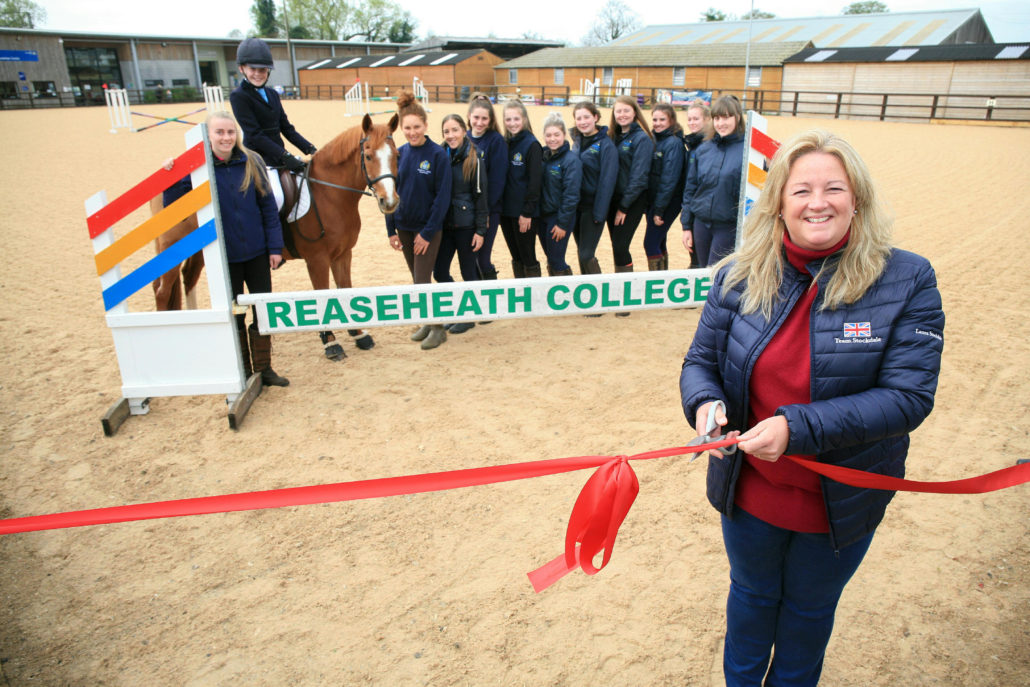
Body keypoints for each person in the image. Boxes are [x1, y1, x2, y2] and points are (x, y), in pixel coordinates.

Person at [680, 130, 945, 687]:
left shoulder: (907, 278)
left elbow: (908, 397)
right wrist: (704, 403)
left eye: (833, 188)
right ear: (778, 200)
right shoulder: (737, 273)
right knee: (750, 600)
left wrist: (795, 427)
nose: (817, 201)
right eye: (801, 189)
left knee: (806, 616)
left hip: (839, 500)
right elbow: (700, 362)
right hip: (750, 491)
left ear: (857, 199)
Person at [162, 111, 290, 387]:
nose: (226, 137)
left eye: (230, 132)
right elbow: (173, 205)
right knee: (234, 314)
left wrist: (275, 247)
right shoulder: (198, 168)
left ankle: (264, 369)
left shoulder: (252, 161)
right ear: (208, 136)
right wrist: (171, 175)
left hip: (256, 253)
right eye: (219, 132)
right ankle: (243, 371)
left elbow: (267, 207)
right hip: (224, 258)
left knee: (262, 312)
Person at [385, 91, 452, 350]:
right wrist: (391, 230)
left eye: (416, 127)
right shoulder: (399, 153)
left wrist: (427, 232)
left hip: (428, 230)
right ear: (401, 128)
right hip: (403, 226)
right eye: (407, 128)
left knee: (423, 279)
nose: (412, 132)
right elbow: (392, 194)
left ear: (425, 126)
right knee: (416, 279)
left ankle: (438, 328)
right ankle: (427, 320)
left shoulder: (437, 155)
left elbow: (442, 198)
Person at [229, 37, 316, 200]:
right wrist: (285, 156)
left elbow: (287, 129)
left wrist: (310, 149)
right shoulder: (238, 97)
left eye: (262, 70)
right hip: (258, 160)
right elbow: (254, 135)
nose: (257, 74)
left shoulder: (272, 94)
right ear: (242, 68)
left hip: (279, 157)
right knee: (276, 197)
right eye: (252, 69)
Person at [433, 114, 488, 335]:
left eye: (455, 130)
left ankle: (469, 317)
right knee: (440, 271)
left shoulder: (474, 158)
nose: (451, 135)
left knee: (468, 272)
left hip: (466, 226)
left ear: (464, 130)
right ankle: (458, 309)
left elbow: (481, 196)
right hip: (445, 225)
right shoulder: (440, 155)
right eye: (447, 131)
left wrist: (481, 230)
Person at [680, 94, 746, 267]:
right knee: (702, 271)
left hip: (727, 226)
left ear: (737, 118)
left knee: (715, 273)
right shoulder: (704, 149)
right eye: (717, 118)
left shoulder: (748, 151)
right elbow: (691, 188)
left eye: (726, 117)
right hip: (701, 223)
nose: (721, 123)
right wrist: (687, 226)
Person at [606, 95, 654, 291]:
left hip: (631, 202)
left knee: (621, 245)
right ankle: (619, 286)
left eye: (626, 110)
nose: (622, 114)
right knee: (616, 245)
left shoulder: (642, 139)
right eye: (619, 111)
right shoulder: (613, 137)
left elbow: (639, 177)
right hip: (612, 200)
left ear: (635, 112)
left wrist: (624, 207)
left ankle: (625, 291)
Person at [570, 100, 617, 277]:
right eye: (578, 118)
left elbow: (607, 181)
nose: (582, 121)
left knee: (586, 254)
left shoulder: (606, 145)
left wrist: (599, 212)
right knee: (580, 252)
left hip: (592, 208)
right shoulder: (576, 141)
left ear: (595, 117)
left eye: (586, 117)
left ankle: (599, 289)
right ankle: (586, 291)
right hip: (576, 207)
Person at [499, 99, 543, 278]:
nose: (512, 123)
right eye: (508, 120)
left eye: (516, 119)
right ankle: (521, 296)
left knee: (527, 256)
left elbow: (535, 182)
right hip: (505, 211)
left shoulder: (532, 144)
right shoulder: (505, 142)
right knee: (516, 256)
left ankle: (535, 297)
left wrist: (527, 213)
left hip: (524, 213)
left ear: (524, 119)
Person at [466, 93, 506, 282]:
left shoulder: (495, 140)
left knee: (482, 258)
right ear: (469, 117)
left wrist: (485, 213)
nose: (479, 122)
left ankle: (492, 293)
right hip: (466, 210)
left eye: (484, 118)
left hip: (488, 210)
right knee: (469, 258)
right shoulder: (463, 138)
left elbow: (497, 181)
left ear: (490, 120)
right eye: (476, 117)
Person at [643, 103, 686, 272]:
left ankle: (656, 280)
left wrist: (659, 210)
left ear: (671, 121)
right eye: (655, 119)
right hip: (655, 201)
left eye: (662, 119)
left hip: (667, 201)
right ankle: (662, 278)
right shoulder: (654, 139)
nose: (658, 123)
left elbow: (670, 179)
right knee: (659, 240)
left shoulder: (674, 143)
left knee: (650, 243)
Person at [538, 112, 581, 277]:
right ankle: (555, 294)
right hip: (544, 217)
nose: (552, 139)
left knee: (557, 260)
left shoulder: (571, 161)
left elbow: (571, 195)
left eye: (557, 134)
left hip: (559, 218)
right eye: (548, 135)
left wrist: (562, 223)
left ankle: (567, 293)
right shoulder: (543, 156)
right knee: (550, 258)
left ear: (564, 135)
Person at [682, 99, 714, 268]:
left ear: (707, 120)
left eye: (696, 119)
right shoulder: (693, 144)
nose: (691, 123)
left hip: (702, 211)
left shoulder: (706, 146)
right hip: (694, 209)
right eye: (689, 119)